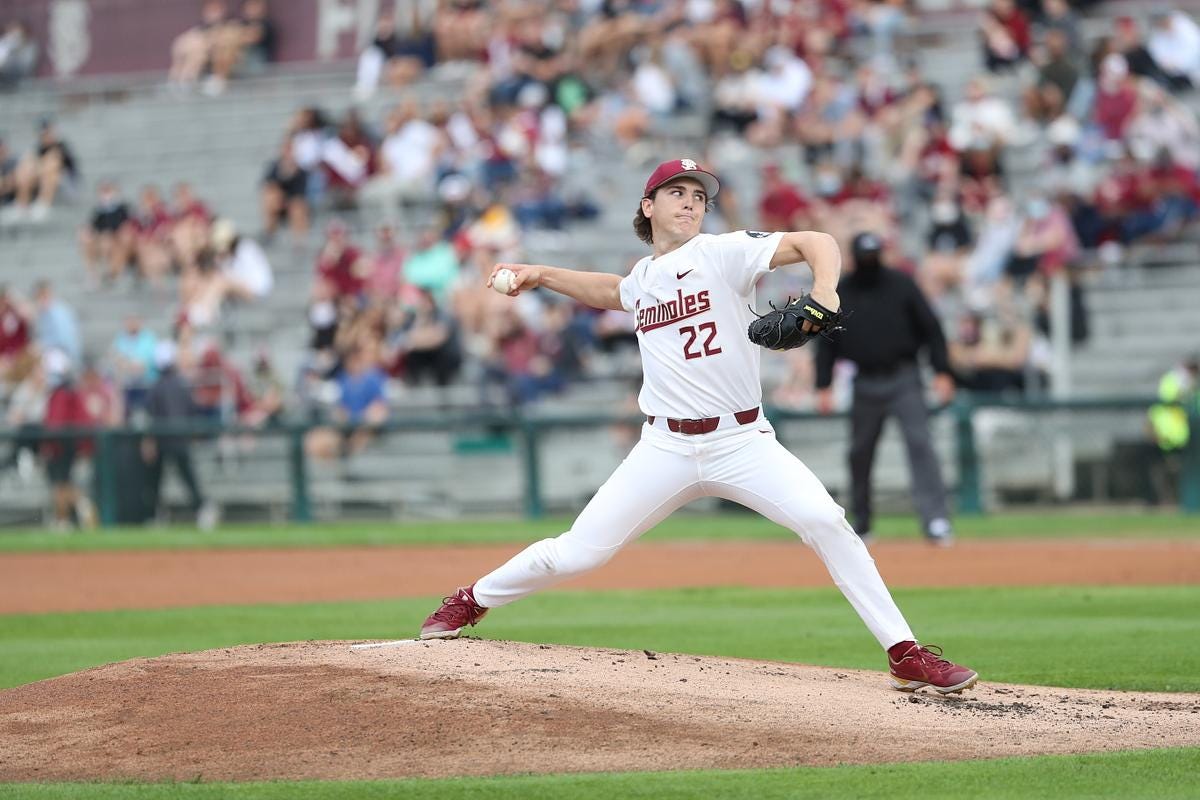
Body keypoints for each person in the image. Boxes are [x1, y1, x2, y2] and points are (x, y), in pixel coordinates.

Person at [418, 158, 978, 696]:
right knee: (580, 553)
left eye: (699, 196)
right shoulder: (643, 279)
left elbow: (817, 242)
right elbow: (612, 291)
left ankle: (904, 653)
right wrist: (541, 275)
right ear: (648, 205)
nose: (691, 203)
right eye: (677, 193)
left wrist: (826, 288)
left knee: (826, 520)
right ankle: (473, 598)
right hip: (665, 446)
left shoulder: (723, 252)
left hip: (741, 441)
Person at [814, 233, 956, 546]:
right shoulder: (843, 291)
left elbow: (932, 329)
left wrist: (942, 371)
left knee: (921, 445)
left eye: (874, 254)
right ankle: (862, 523)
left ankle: (936, 519)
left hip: (904, 377)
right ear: (853, 258)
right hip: (864, 381)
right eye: (865, 255)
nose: (870, 261)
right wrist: (823, 384)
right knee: (859, 453)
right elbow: (826, 342)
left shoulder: (901, 284)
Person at [143, 341, 218, 530]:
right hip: (178, 440)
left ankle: (157, 515)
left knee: (159, 481)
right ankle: (201, 509)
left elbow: (150, 416)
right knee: (185, 478)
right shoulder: (180, 385)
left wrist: (149, 441)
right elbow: (193, 410)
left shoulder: (158, 386)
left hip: (164, 440)